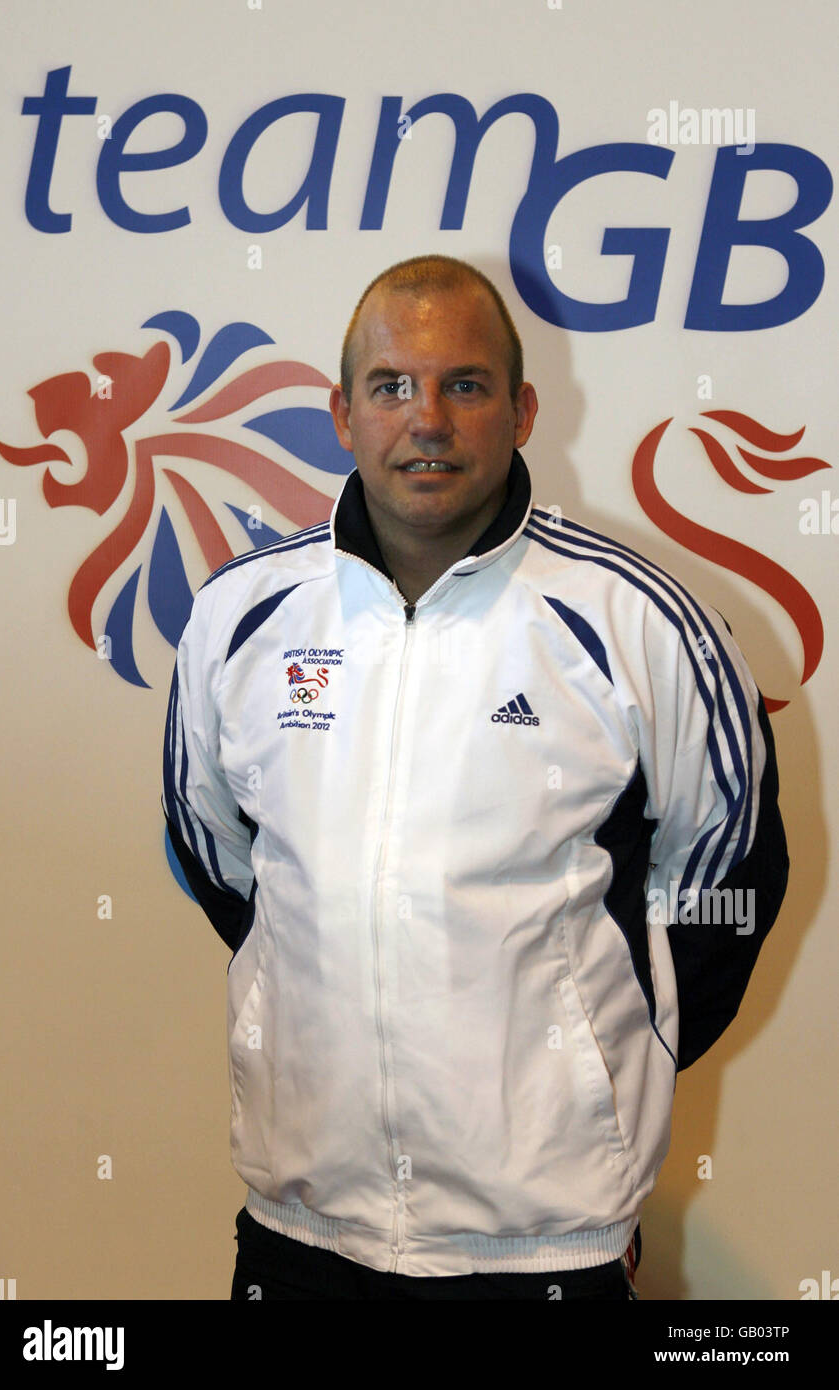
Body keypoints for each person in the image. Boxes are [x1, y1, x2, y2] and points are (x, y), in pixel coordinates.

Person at [161, 254, 789, 1300]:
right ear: (341, 413)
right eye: (392, 386)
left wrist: (586, 1068)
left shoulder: (639, 622)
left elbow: (724, 884)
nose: (428, 421)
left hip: (544, 1248)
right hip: (300, 1231)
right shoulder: (239, 620)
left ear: (521, 408)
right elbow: (231, 871)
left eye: (464, 385)